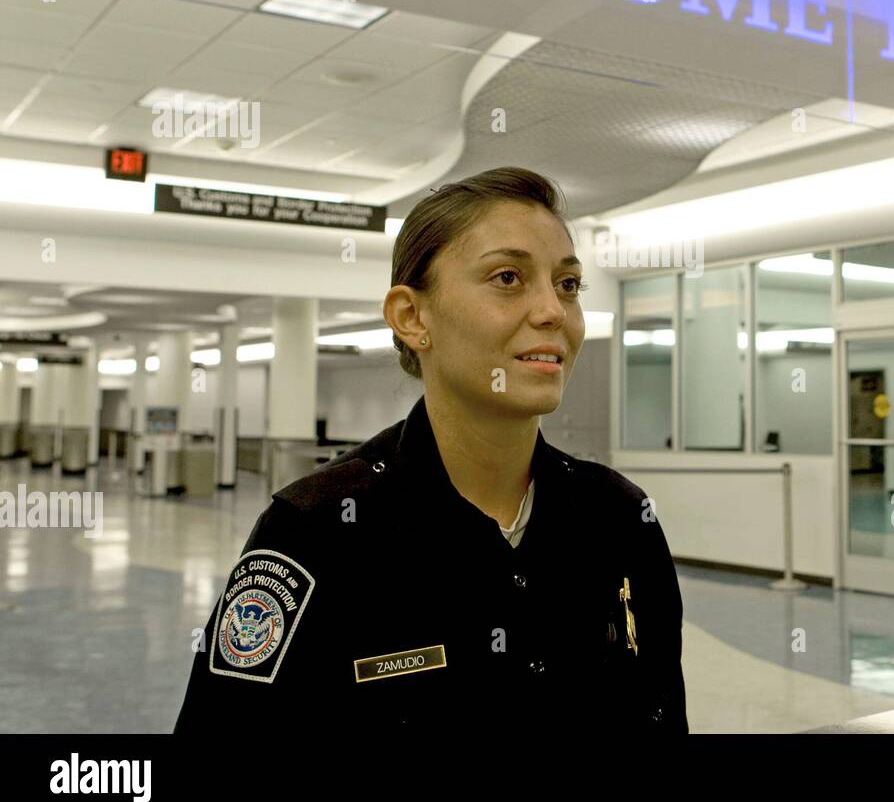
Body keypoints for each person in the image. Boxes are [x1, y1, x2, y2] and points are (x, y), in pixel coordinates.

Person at [174, 166, 688, 734]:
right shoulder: (319, 531)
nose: (553, 311)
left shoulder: (618, 519)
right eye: (509, 277)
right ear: (413, 317)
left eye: (567, 285)